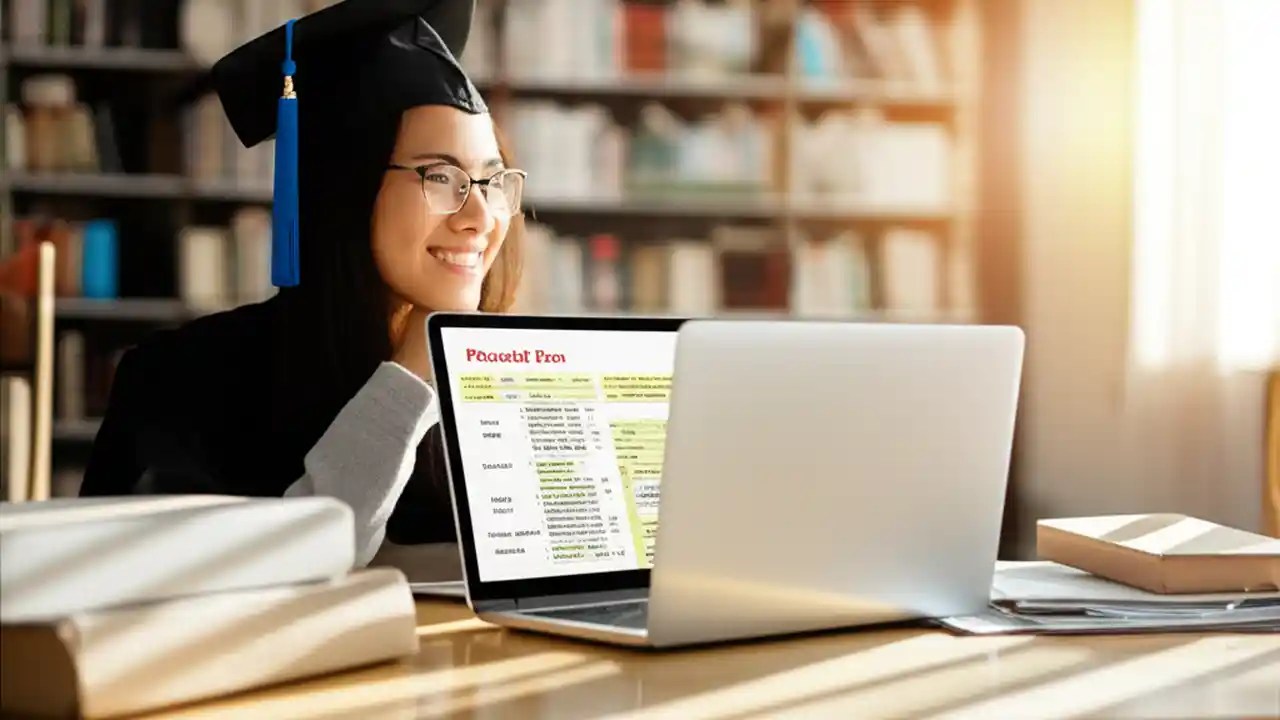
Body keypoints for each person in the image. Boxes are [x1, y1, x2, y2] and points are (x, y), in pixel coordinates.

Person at [79, 0, 525, 567]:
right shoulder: (186, 382)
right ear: (345, 192)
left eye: (491, 180)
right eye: (441, 176)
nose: (481, 218)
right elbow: (273, 577)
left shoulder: (506, 385)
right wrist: (408, 382)